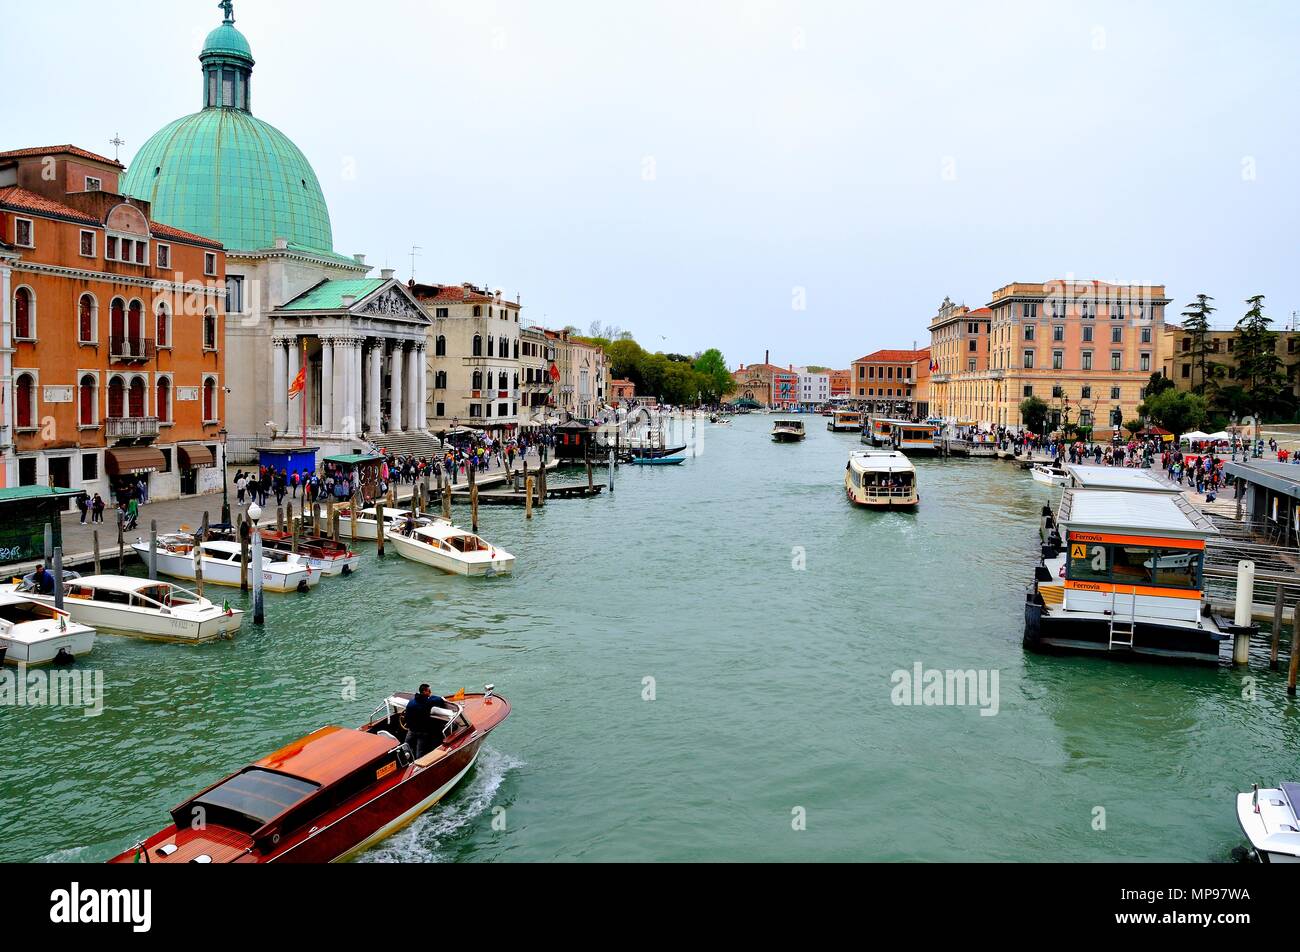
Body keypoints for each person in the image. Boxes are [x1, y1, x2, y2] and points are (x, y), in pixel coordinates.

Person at [403, 685, 446, 760]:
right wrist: (431, 696)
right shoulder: (427, 702)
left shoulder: (411, 702)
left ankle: (405, 759)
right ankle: (418, 765)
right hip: (422, 731)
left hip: (411, 729)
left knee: (406, 745)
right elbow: (440, 700)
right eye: (429, 691)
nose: (430, 692)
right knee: (420, 750)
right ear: (424, 692)